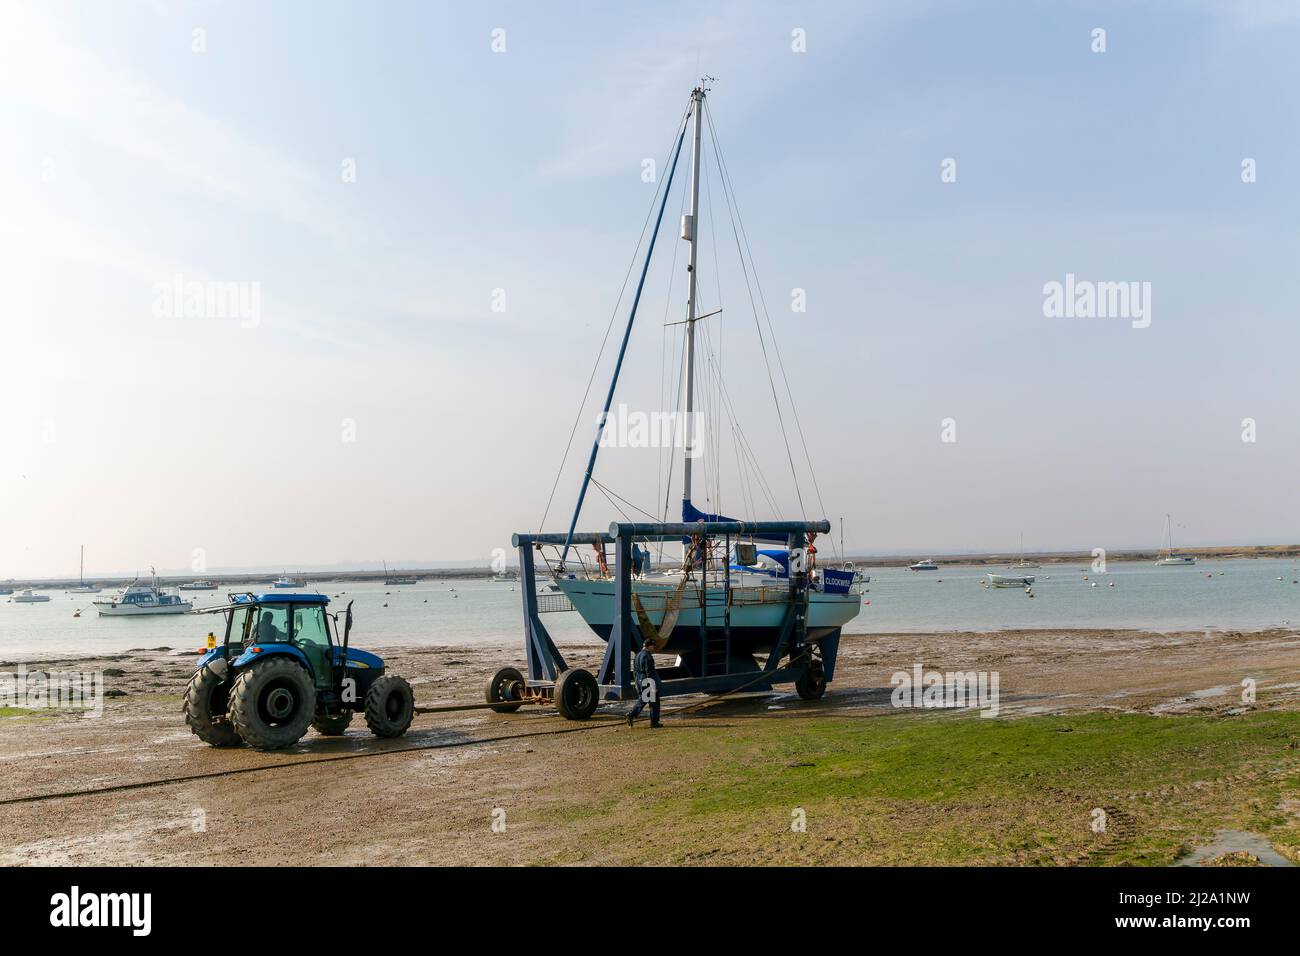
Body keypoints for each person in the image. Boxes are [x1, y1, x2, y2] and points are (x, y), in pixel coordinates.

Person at [626, 636, 663, 728]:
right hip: (647, 680)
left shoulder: (638, 655)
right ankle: (633, 714)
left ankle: (653, 721)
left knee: (646, 699)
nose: (653, 648)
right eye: (653, 646)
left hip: (639, 679)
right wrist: (653, 686)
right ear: (648, 646)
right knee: (651, 700)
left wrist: (636, 683)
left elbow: (634, 670)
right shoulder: (648, 656)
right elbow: (649, 672)